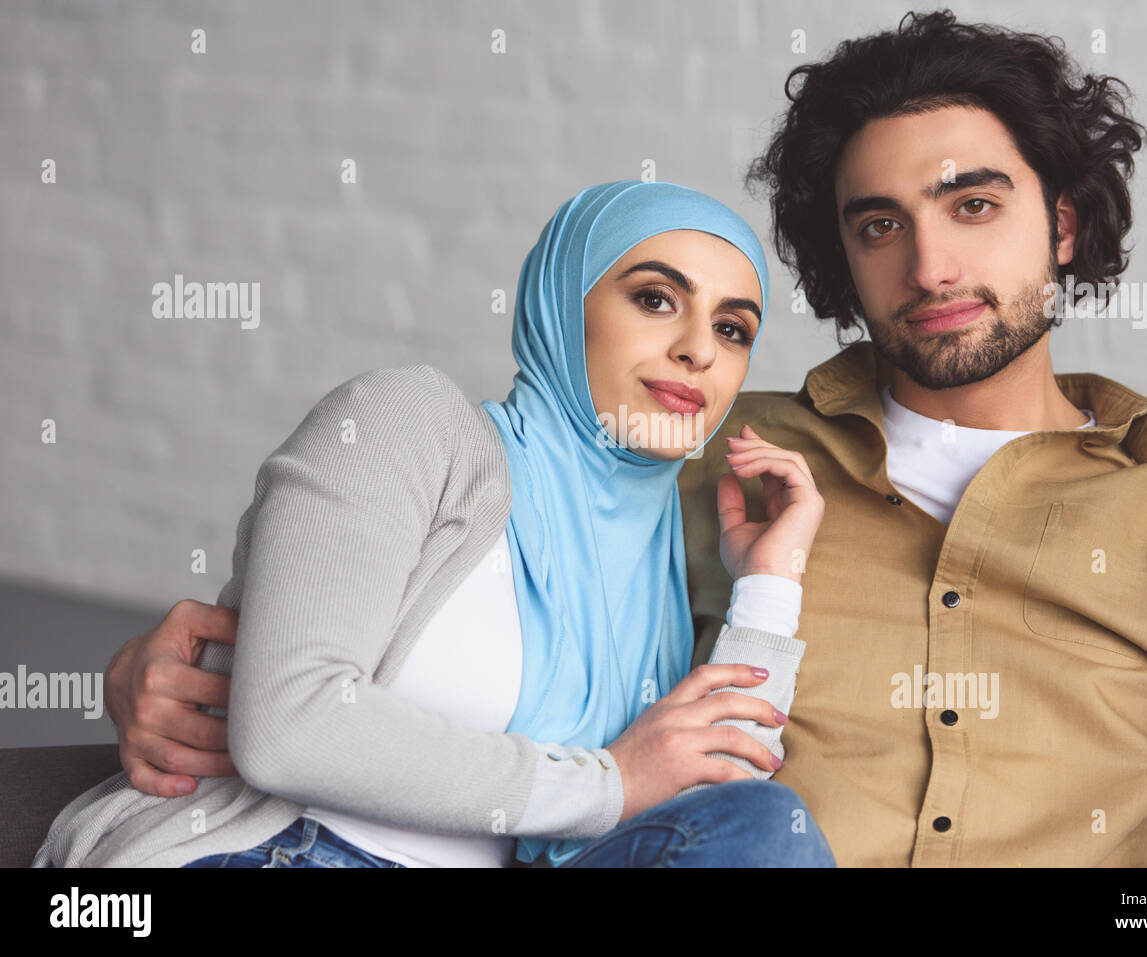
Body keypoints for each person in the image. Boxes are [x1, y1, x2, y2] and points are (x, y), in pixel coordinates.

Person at [84, 9, 1147, 868]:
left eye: (974, 205)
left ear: (1067, 225)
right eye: (878, 224)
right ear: (839, 261)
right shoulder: (706, 454)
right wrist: (161, 672)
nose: (929, 265)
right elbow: (379, 613)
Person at [32, 179, 835, 868]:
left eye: (733, 328)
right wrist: (608, 782)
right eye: (655, 298)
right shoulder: (409, 421)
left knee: (765, 824)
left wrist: (768, 583)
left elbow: (719, 808)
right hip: (283, 851)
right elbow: (288, 727)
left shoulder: (672, 552)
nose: (698, 348)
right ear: (565, 302)